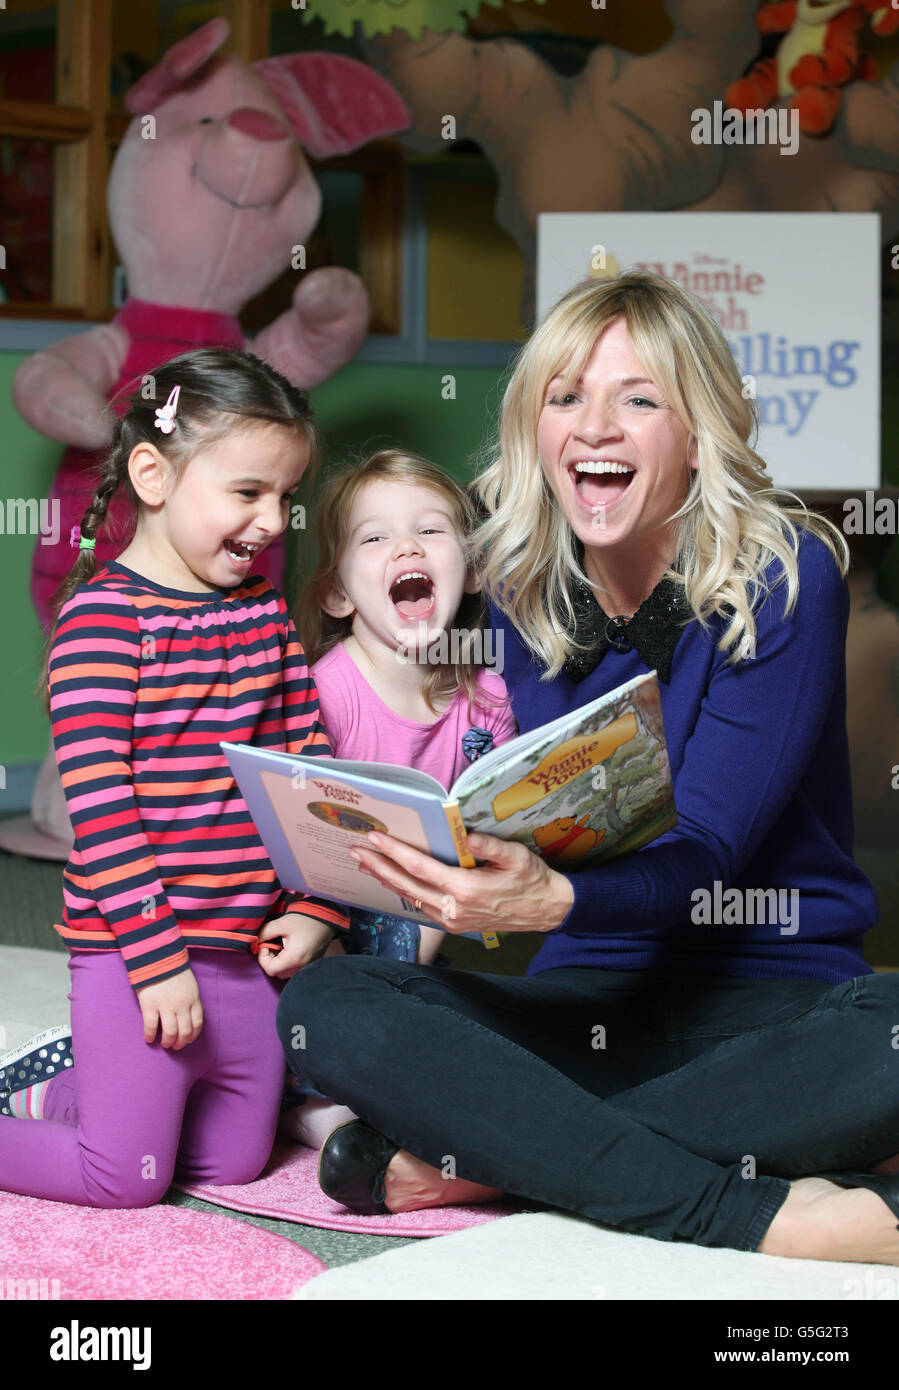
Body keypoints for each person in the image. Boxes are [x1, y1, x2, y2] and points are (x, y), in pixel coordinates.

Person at [275, 271, 899, 1264]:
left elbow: (703, 854)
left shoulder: (784, 573)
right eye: (565, 397)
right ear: (534, 431)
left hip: (774, 1001)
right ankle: (747, 1211)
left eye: (637, 399)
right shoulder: (522, 588)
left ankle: (501, 1152)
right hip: (584, 1002)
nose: (594, 426)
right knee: (327, 1006)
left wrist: (551, 900)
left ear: (696, 435)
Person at [0, 348, 348, 1207]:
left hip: (244, 957)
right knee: (124, 1181)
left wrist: (316, 909)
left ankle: (73, 1090)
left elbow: (308, 773)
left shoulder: (262, 618)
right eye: (248, 492)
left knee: (235, 1162)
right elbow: (104, 811)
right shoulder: (103, 622)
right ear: (153, 475)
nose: (273, 520)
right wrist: (155, 965)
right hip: (137, 954)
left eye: (286, 497)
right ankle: (91, 1098)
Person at [263, 449, 517, 1154]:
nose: (406, 545)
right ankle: (305, 1099)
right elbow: (295, 846)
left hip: (433, 931)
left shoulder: (489, 699)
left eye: (430, 531)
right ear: (339, 595)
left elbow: (480, 843)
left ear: (469, 572)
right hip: (323, 925)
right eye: (373, 538)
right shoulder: (326, 692)